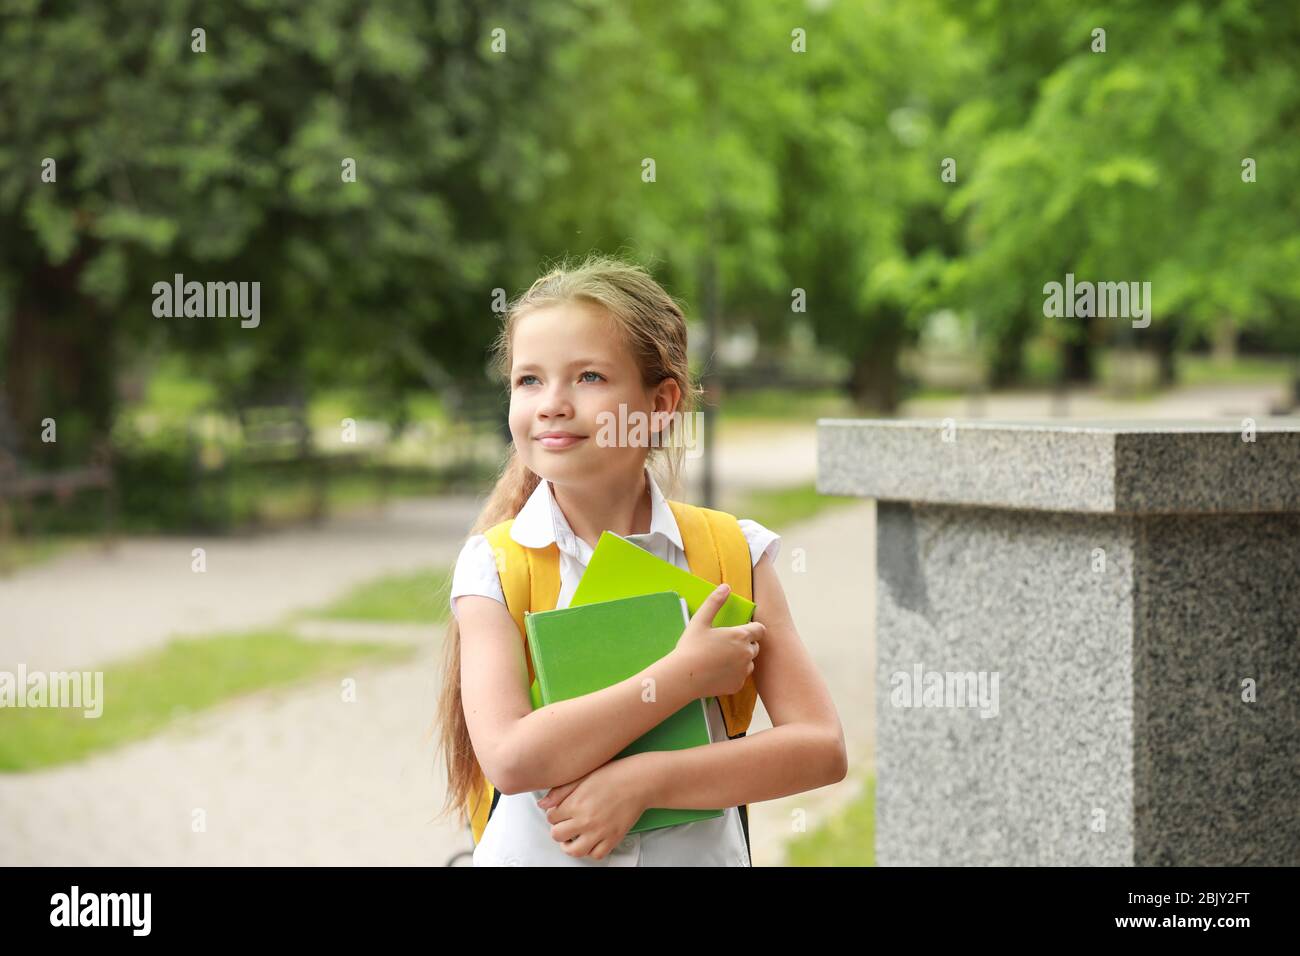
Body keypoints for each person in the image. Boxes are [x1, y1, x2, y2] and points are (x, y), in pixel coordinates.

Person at [433, 253, 847, 865]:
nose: (552, 403)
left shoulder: (733, 553)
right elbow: (513, 757)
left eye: (589, 378)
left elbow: (821, 747)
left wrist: (645, 781)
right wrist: (680, 678)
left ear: (660, 404)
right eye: (529, 380)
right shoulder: (494, 566)